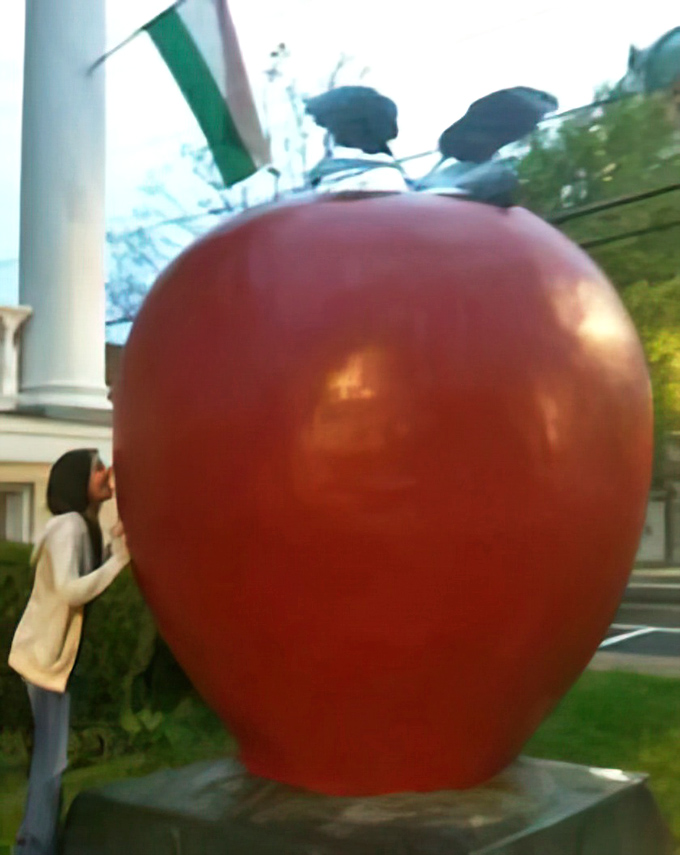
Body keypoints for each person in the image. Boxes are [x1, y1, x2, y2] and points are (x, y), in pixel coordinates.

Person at [8, 449, 130, 855]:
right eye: (97, 467)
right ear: (78, 480)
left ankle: (39, 843)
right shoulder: (69, 527)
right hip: (44, 663)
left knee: (51, 761)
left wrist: (114, 551)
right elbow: (69, 590)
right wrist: (119, 564)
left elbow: (81, 586)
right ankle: (33, 847)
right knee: (50, 765)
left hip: (50, 660)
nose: (106, 471)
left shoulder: (80, 525)